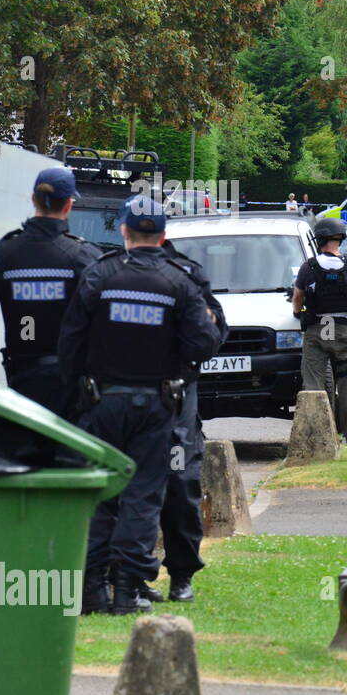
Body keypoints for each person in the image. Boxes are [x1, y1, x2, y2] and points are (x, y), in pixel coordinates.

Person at [59, 195, 224, 615]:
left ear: (125, 231)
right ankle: (129, 589)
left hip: (102, 401)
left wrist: (80, 389)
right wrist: (178, 366)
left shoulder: (99, 273)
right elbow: (204, 342)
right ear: (164, 234)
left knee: (102, 494)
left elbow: (71, 341)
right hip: (156, 404)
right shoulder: (179, 280)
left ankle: (94, 589)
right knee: (143, 496)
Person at [0, 166, 101, 414]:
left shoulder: (3, 253)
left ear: (32, 199)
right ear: (69, 205)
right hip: (69, 384)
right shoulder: (82, 256)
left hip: (20, 380)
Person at [152, 235, 228, 603]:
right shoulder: (108, 272)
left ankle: (180, 573)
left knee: (179, 483)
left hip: (174, 395)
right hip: (125, 395)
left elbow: (213, 336)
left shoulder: (187, 274)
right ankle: (131, 574)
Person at [291, 217, 347, 444]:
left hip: (316, 329)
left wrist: (299, 312)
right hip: (343, 330)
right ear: (340, 239)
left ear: (320, 239)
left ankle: (317, 438)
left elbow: (298, 298)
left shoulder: (309, 267)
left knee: (313, 383)